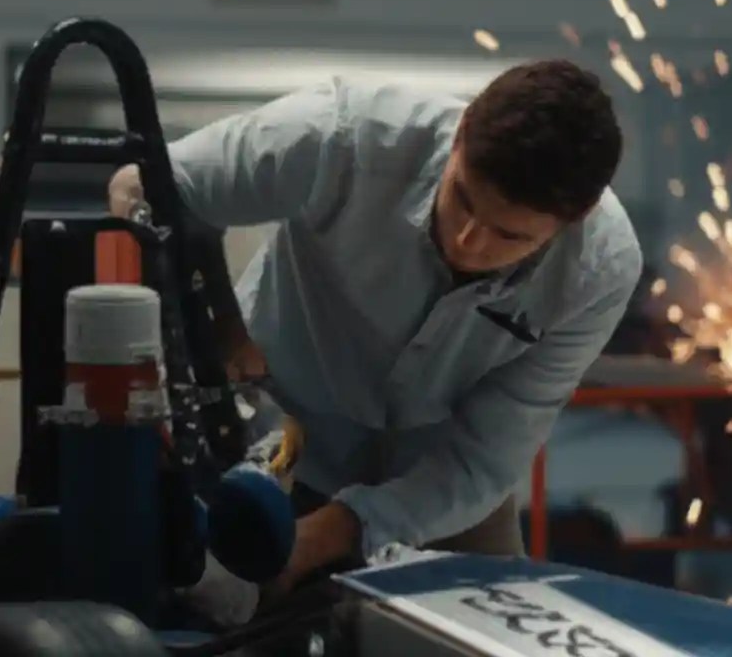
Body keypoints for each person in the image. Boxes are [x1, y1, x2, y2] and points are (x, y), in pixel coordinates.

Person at [108, 61, 642, 604]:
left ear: (578, 216)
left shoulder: (598, 271)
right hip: (275, 436)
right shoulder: (341, 135)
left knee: (487, 629)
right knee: (215, 613)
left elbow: (484, 459)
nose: (468, 240)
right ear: (460, 135)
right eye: (462, 198)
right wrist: (217, 327)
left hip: (437, 475)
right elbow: (145, 186)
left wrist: (331, 533)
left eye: (508, 235)